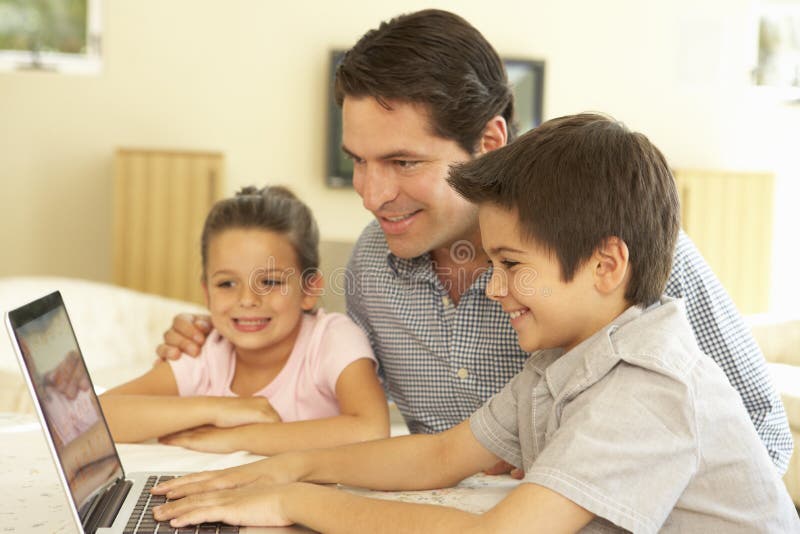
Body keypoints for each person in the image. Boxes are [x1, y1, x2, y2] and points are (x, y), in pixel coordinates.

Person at [155, 9, 792, 472]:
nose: (373, 195)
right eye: (359, 160)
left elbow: (763, 435)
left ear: (489, 143)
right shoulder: (372, 269)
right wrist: (217, 332)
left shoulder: (632, 256)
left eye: (404, 163)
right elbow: (318, 371)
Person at [150, 114, 799, 532]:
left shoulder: (650, 388)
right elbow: (439, 454)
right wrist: (289, 469)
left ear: (606, 265)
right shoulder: (563, 361)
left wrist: (296, 502)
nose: (494, 288)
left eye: (511, 264)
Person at [100, 186, 388, 455]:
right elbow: (96, 418)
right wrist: (219, 410)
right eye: (227, 284)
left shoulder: (332, 339)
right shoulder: (206, 349)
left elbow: (372, 430)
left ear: (309, 290)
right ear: (207, 293)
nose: (247, 299)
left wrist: (237, 438)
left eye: (270, 281)